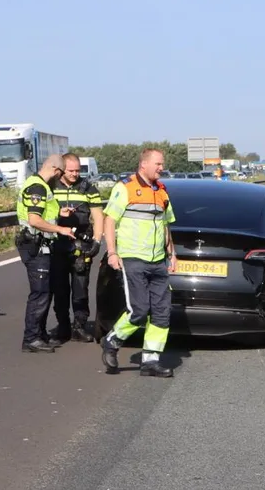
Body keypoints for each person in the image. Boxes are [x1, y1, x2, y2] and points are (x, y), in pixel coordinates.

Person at [99, 149, 177, 378]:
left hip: (157, 261)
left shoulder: (161, 191)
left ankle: (151, 361)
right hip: (133, 258)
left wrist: (172, 253)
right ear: (144, 164)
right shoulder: (125, 188)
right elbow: (109, 220)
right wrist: (112, 253)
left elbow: (165, 225)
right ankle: (112, 340)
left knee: (162, 312)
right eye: (158, 164)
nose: (161, 168)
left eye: (162, 164)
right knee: (140, 309)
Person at [15, 154, 76, 353]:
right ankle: (30, 338)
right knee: (40, 293)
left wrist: (60, 214)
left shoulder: (40, 185)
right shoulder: (38, 187)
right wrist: (60, 229)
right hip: (35, 245)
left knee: (46, 291)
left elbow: (44, 213)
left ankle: (40, 334)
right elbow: (34, 219)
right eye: (62, 172)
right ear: (56, 170)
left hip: (41, 244)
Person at [48, 153, 106, 343]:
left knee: (80, 289)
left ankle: (79, 326)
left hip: (82, 245)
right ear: (62, 169)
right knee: (60, 289)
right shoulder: (50, 187)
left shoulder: (88, 188)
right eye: (70, 170)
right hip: (57, 245)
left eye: (77, 170)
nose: (74, 174)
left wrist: (97, 241)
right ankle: (63, 327)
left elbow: (98, 216)